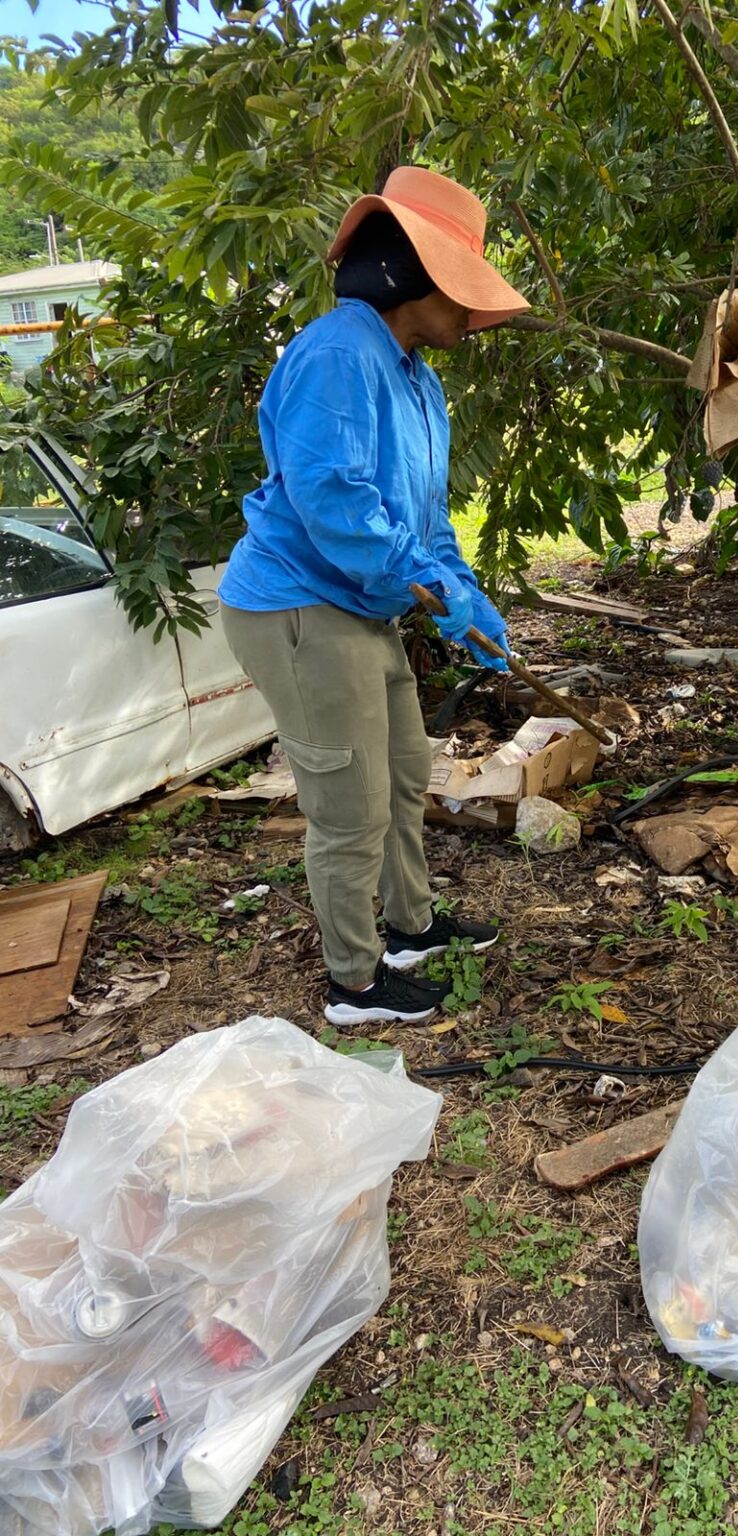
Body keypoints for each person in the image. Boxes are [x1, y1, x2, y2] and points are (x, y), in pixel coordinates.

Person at [218, 166, 530, 1027]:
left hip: (361, 606)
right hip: (299, 605)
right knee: (348, 805)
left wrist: (461, 591)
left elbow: (422, 518)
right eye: (463, 293)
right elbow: (335, 502)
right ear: (417, 280)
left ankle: (409, 928)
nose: (473, 316)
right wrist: (426, 587)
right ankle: (354, 984)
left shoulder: (416, 379)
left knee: (399, 779)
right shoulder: (337, 353)